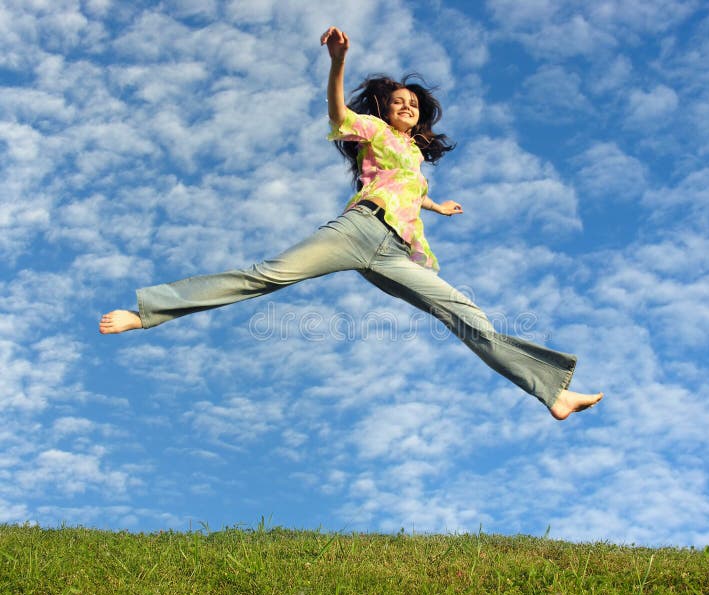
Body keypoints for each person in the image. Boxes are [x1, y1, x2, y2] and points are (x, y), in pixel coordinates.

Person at [99, 26, 603, 420]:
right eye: (398, 102)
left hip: (397, 252)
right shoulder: (374, 131)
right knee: (267, 275)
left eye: (413, 105)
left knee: (465, 313)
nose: (406, 107)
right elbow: (338, 111)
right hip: (357, 230)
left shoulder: (412, 158)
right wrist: (339, 63)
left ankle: (551, 393)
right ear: (385, 108)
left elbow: (411, 192)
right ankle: (149, 312)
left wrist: (438, 207)